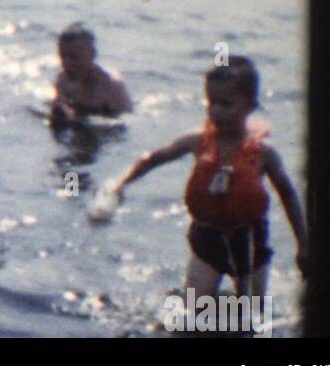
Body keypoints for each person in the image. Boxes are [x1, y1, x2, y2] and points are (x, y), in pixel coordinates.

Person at [114, 56, 310, 302]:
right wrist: (122, 183)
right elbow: (156, 158)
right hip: (207, 239)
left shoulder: (263, 153)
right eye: (211, 103)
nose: (215, 111)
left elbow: (288, 194)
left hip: (250, 242)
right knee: (193, 311)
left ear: (250, 105)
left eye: (226, 104)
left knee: (250, 316)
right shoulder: (197, 141)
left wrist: (303, 243)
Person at [51, 23, 132, 124]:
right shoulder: (63, 81)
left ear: (92, 55)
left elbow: (125, 123)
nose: (66, 63)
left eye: (73, 57)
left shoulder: (112, 88)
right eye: (63, 56)